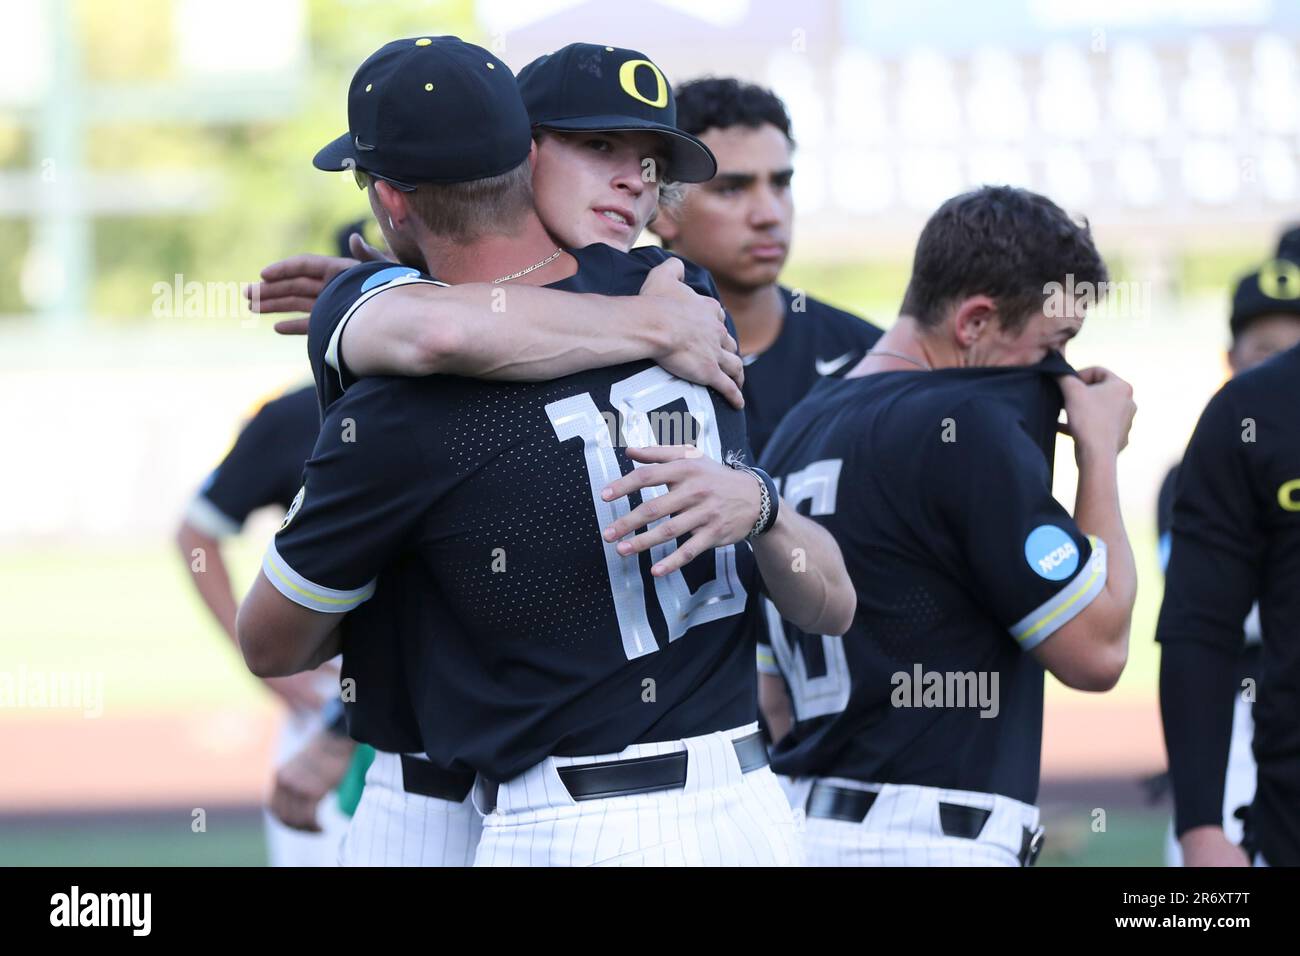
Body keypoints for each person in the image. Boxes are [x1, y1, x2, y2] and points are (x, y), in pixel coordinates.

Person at [237, 36, 855, 867]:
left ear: (388, 198)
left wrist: (369, 287)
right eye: (600, 147)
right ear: (515, 155)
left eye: (648, 160)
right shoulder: (683, 300)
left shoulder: (407, 387)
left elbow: (274, 642)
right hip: (737, 799)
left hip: (554, 810)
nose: (634, 178)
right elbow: (453, 323)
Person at [757, 185, 1138, 866]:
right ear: (975, 323)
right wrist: (1098, 452)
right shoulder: (962, 430)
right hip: (924, 840)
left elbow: (771, 691)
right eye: (1055, 343)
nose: (1060, 372)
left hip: (800, 827)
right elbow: (1098, 651)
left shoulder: (800, 423)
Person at [648, 77, 883, 458]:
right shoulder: (607, 355)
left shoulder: (867, 358)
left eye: (780, 183)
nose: (769, 215)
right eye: (732, 189)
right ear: (661, 208)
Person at [1154, 252, 1300, 866]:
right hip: (1261, 738)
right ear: (1231, 353)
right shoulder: (1246, 419)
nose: (1273, 355)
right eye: (1261, 343)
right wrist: (1200, 824)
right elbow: (1201, 625)